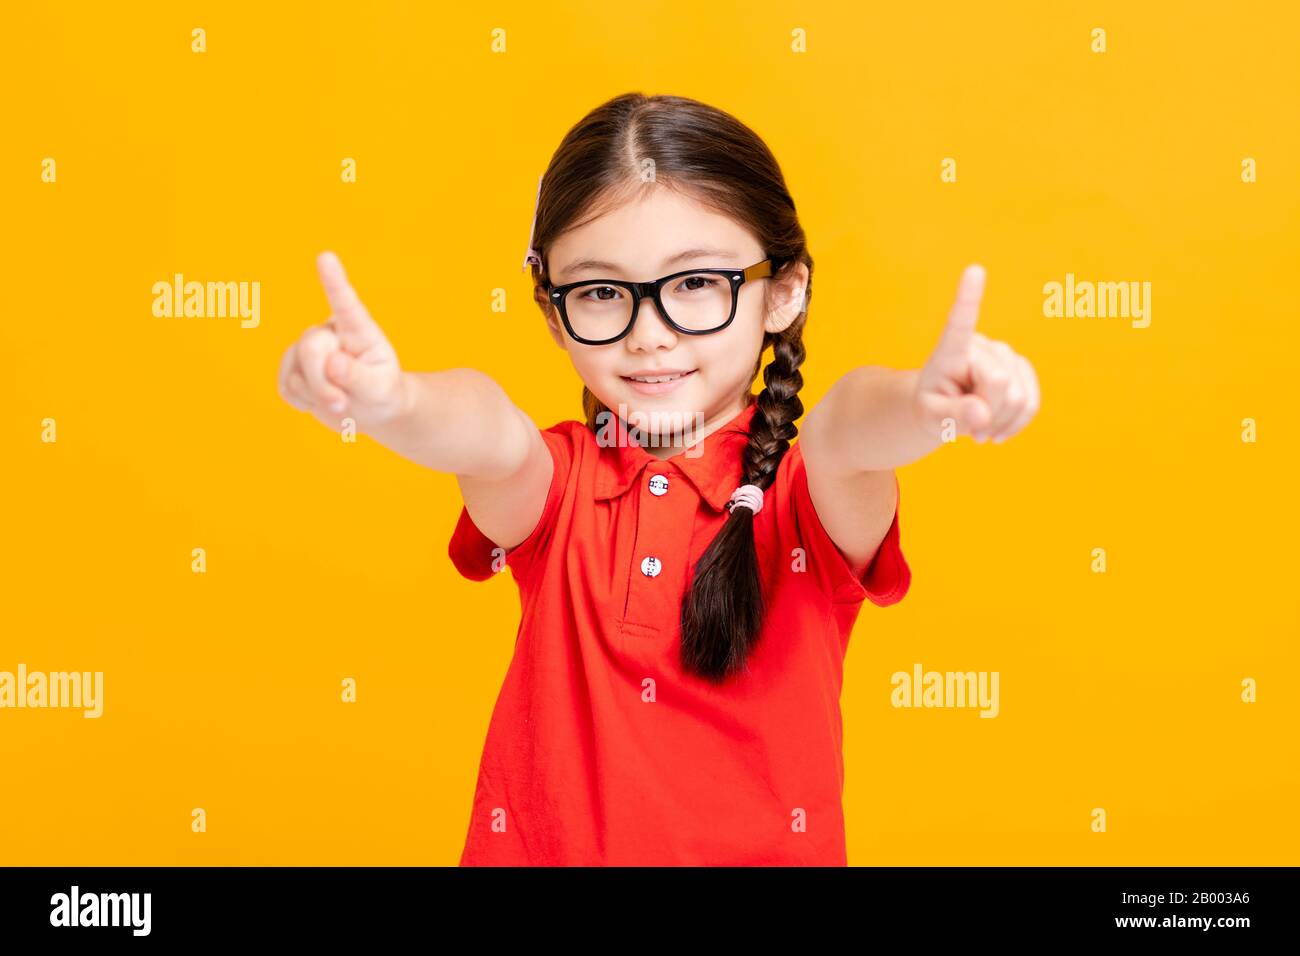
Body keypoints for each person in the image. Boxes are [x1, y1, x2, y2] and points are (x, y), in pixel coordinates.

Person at [277, 92, 1040, 865]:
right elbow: (484, 431)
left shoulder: (804, 500)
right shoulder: (560, 485)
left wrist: (925, 403)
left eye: (697, 283)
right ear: (552, 309)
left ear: (784, 291)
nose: (649, 335)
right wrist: (393, 401)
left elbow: (848, 427)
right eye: (603, 292)